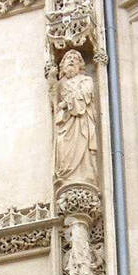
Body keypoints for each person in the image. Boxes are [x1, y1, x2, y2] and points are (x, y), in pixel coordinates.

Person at [49, 50, 98, 189]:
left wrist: (66, 103)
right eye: (68, 58)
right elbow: (54, 102)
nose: (71, 60)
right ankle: (65, 177)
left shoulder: (85, 80)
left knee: (82, 148)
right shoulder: (60, 83)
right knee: (63, 147)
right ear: (62, 65)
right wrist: (52, 79)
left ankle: (85, 176)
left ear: (80, 65)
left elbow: (85, 94)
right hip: (65, 124)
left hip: (80, 121)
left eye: (75, 59)